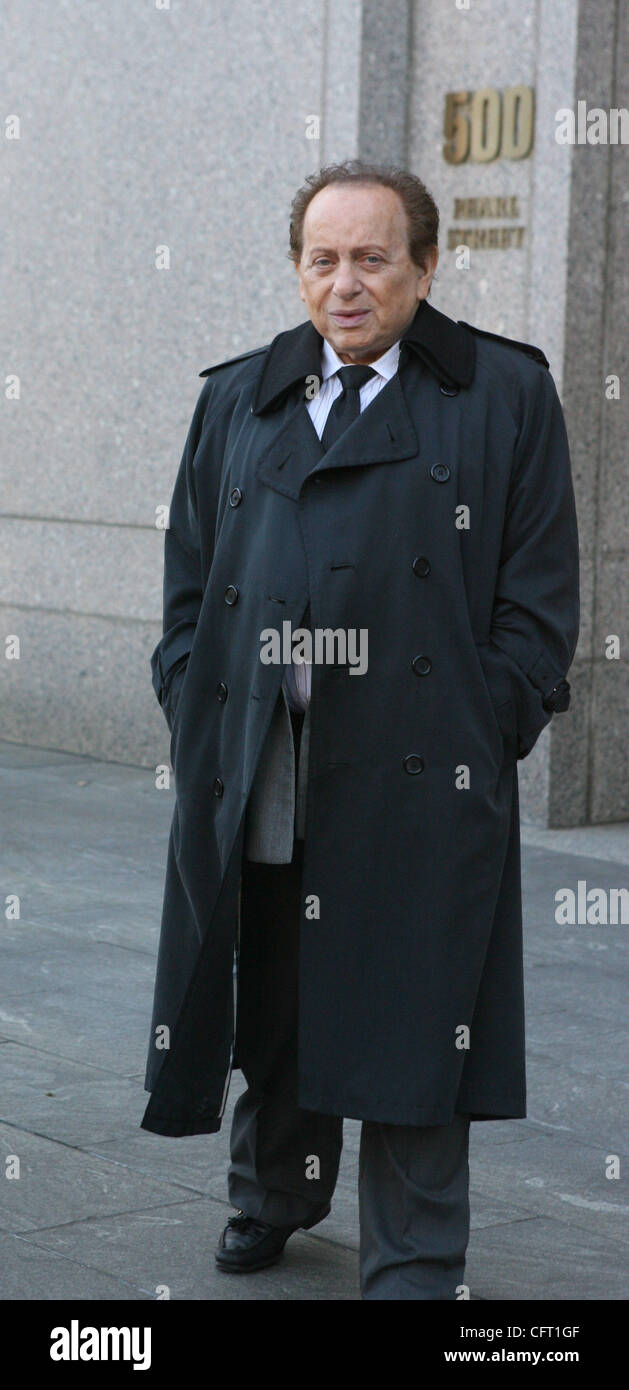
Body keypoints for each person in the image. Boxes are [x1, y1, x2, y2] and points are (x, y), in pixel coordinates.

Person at [141, 160, 580, 1299]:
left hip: (420, 769)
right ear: (298, 269)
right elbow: (190, 581)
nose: (345, 283)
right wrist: (195, 694)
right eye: (321, 259)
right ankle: (272, 1194)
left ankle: (414, 1261)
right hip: (266, 766)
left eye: (371, 258)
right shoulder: (238, 395)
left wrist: (491, 719)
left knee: (413, 1007)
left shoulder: (503, 395)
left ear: (424, 268)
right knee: (278, 992)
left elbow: (535, 604)